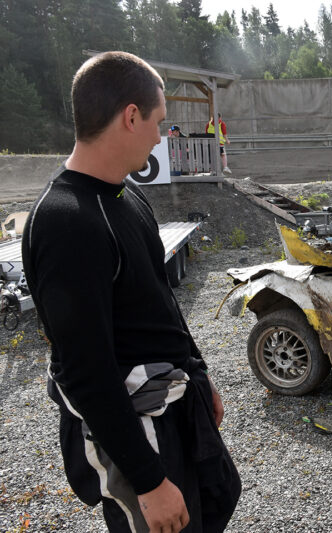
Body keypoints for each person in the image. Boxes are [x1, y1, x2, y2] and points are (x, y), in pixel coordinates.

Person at [21, 51, 240, 532]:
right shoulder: (66, 222)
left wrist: (201, 376)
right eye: (159, 122)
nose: (162, 136)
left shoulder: (124, 193)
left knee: (217, 501)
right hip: (140, 432)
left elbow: (161, 300)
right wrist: (148, 481)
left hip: (179, 405)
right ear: (131, 116)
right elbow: (85, 373)